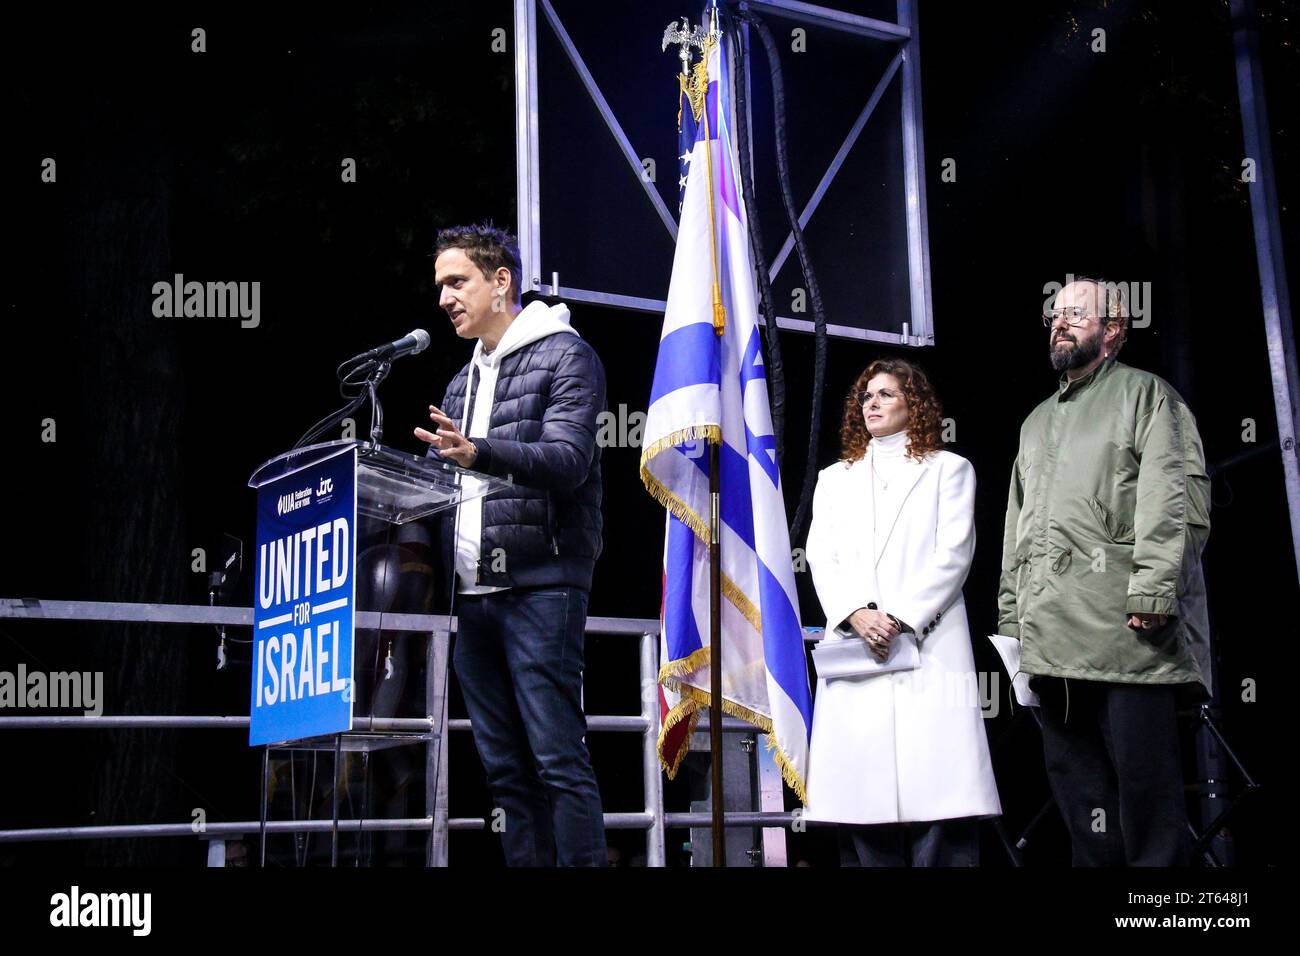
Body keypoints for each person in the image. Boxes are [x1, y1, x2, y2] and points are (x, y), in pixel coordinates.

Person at [997, 276, 1211, 866]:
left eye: (1076, 314)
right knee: (1081, 802)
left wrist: (1152, 588)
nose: (1058, 323)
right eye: (1054, 314)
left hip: (1127, 632)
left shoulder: (1147, 396)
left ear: (1113, 330)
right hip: (1052, 638)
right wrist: (1014, 618)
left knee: (1147, 806)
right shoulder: (1035, 421)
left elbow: (1176, 499)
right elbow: (1019, 525)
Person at [415, 222, 607, 866]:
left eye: (457, 280)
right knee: (504, 774)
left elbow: (569, 458)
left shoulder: (565, 355)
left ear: (501, 283)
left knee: (557, 762)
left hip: (541, 586)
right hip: (471, 598)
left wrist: (480, 453)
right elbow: (452, 481)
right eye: (439, 284)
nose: (444, 296)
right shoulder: (459, 384)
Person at [804, 357, 1001, 866]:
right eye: (867, 396)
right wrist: (855, 614)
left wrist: (899, 618)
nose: (873, 403)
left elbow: (953, 554)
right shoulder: (835, 478)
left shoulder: (950, 470)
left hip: (926, 647)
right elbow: (821, 556)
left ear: (915, 404)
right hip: (857, 647)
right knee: (863, 805)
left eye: (886, 394)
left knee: (938, 797)